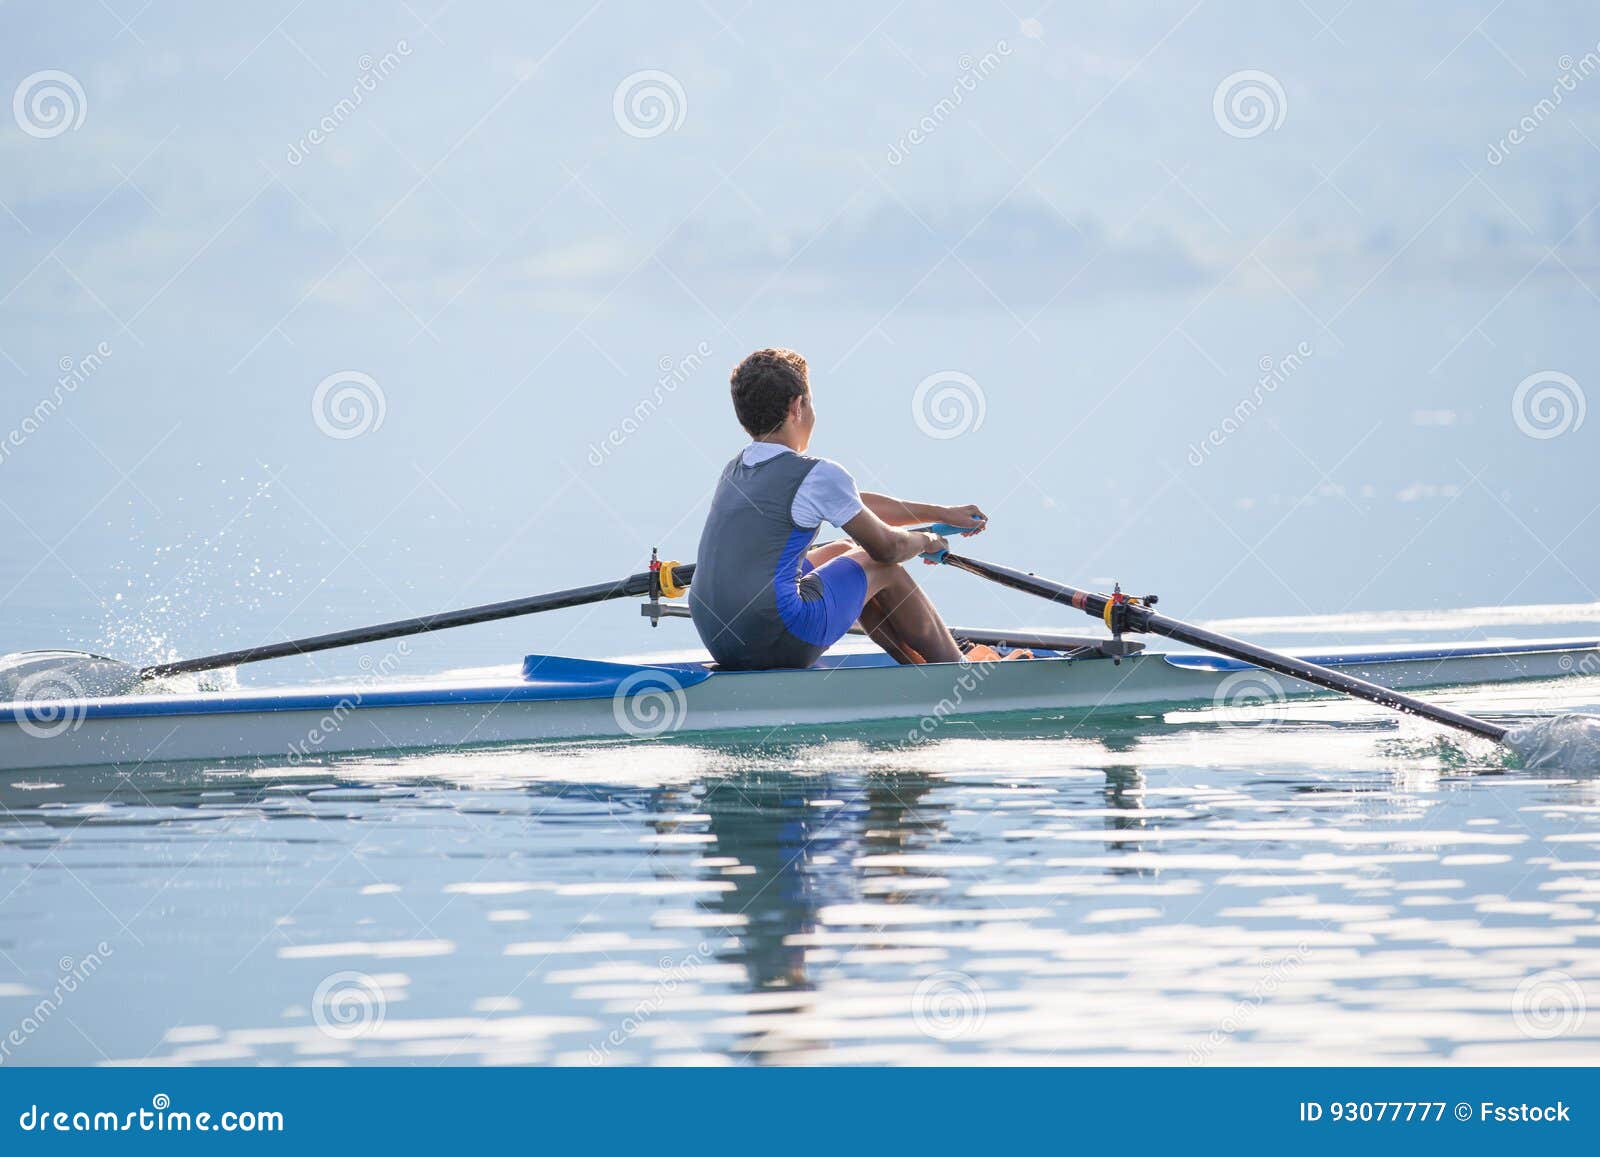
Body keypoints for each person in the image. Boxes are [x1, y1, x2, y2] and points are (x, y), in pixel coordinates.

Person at [689, 348, 1021, 670]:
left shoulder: (736, 469)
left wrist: (940, 514)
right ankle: (957, 669)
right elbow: (888, 548)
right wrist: (928, 541)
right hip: (778, 638)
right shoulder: (816, 473)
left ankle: (919, 667)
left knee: (844, 550)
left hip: (718, 637)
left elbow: (853, 504)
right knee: (880, 563)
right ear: (797, 407)